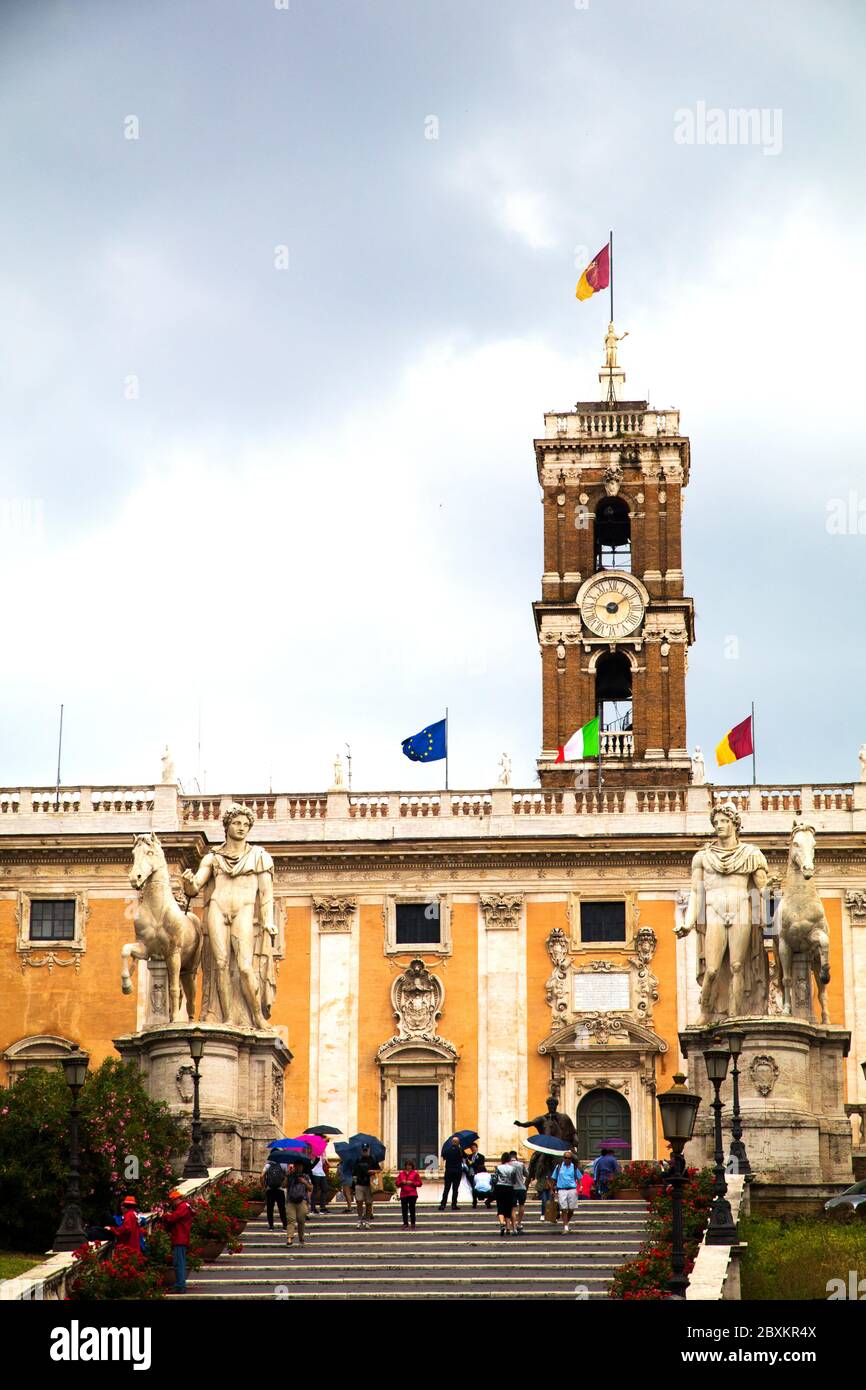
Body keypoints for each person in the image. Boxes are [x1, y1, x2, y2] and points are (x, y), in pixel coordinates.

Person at [161, 1189, 194, 1294]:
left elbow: (173, 1218)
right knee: (178, 1262)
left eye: (172, 1200)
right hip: (180, 1238)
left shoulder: (183, 1207)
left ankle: (180, 1285)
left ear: (176, 1199)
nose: (171, 1203)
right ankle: (180, 1285)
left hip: (180, 1238)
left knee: (179, 1263)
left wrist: (166, 1215)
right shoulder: (184, 1207)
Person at [285, 1162, 313, 1247]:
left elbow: (311, 1188)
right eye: (297, 1166)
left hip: (302, 1201)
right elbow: (283, 1185)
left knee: (301, 1220)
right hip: (291, 1201)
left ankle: (301, 1237)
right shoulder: (290, 1176)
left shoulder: (306, 1176)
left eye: (300, 1166)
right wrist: (287, 1175)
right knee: (291, 1219)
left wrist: (304, 1182)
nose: (298, 1168)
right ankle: (289, 1238)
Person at [353, 1144, 380, 1229]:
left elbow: (379, 1170)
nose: (365, 1151)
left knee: (369, 1204)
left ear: (369, 1149)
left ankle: (367, 1221)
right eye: (364, 1150)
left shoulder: (373, 1159)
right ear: (361, 1150)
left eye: (366, 1150)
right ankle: (359, 1220)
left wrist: (373, 1171)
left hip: (370, 1184)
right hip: (359, 1183)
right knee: (359, 1202)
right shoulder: (358, 1159)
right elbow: (354, 1172)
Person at [552, 1150, 579, 1233]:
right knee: (563, 1208)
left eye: (569, 1158)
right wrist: (552, 1189)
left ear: (571, 1159)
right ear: (563, 1158)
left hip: (572, 1189)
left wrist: (580, 1186)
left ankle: (566, 1222)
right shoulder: (559, 1167)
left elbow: (579, 1177)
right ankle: (566, 1227)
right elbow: (554, 1178)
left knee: (571, 1209)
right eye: (566, 1158)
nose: (567, 1159)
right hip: (562, 1190)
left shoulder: (574, 1167)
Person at [493, 1151, 518, 1237]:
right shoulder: (513, 1168)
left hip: (500, 1188)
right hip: (509, 1188)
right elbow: (514, 1180)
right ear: (509, 1159)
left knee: (500, 1206)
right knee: (508, 1207)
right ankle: (508, 1227)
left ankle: (501, 1223)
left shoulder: (498, 1167)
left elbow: (494, 1179)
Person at [263, 1153, 288, 1231]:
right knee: (282, 1208)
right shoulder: (283, 1165)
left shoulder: (268, 1165)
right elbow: (287, 1175)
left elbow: (261, 1176)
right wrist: (284, 1184)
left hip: (269, 1189)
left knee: (270, 1209)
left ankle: (271, 1226)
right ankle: (285, 1226)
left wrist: (264, 1185)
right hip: (279, 1189)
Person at [395, 1158, 422, 1229]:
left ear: (412, 1166)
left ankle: (413, 1223)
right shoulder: (401, 1174)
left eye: (410, 1165)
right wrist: (401, 1182)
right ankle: (405, 1223)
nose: (408, 1166)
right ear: (405, 1166)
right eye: (407, 1165)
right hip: (403, 1194)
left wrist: (412, 1183)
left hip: (412, 1194)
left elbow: (420, 1183)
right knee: (404, 1209)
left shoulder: (415, 1173)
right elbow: (397, 1183)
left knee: (412, 1208)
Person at [439, 1135, 464, 1210]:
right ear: (458, 1142)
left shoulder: (447, 1150)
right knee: (455, 1189)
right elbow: (464, 1157)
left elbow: (444, 1157)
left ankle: (443, 1204)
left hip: (448, 1172)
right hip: (457, 1172)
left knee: (446, 1189)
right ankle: (454, 1205)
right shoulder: (460, 1150)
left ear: (452, 1142)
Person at [508, 1151, 528, 1233]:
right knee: (522, 1205)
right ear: (516, 1156)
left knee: (513, 1207)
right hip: (521, 1188)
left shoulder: (508, 1165)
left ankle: (514, 1226)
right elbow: (527, 1174)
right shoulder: (521, 1164)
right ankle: (519, 1223)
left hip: (512, 1188)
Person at [309, 1151, 330, 1215]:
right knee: (315, 1190)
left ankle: (322, 1208)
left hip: (321, 1172)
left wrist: (324, 1157)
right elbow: (311, 1162)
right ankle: (313, 1209)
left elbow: (323, 1162)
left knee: (325, 1189)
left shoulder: (322, 1152)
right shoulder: (311, 1152)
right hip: (314, 1172)